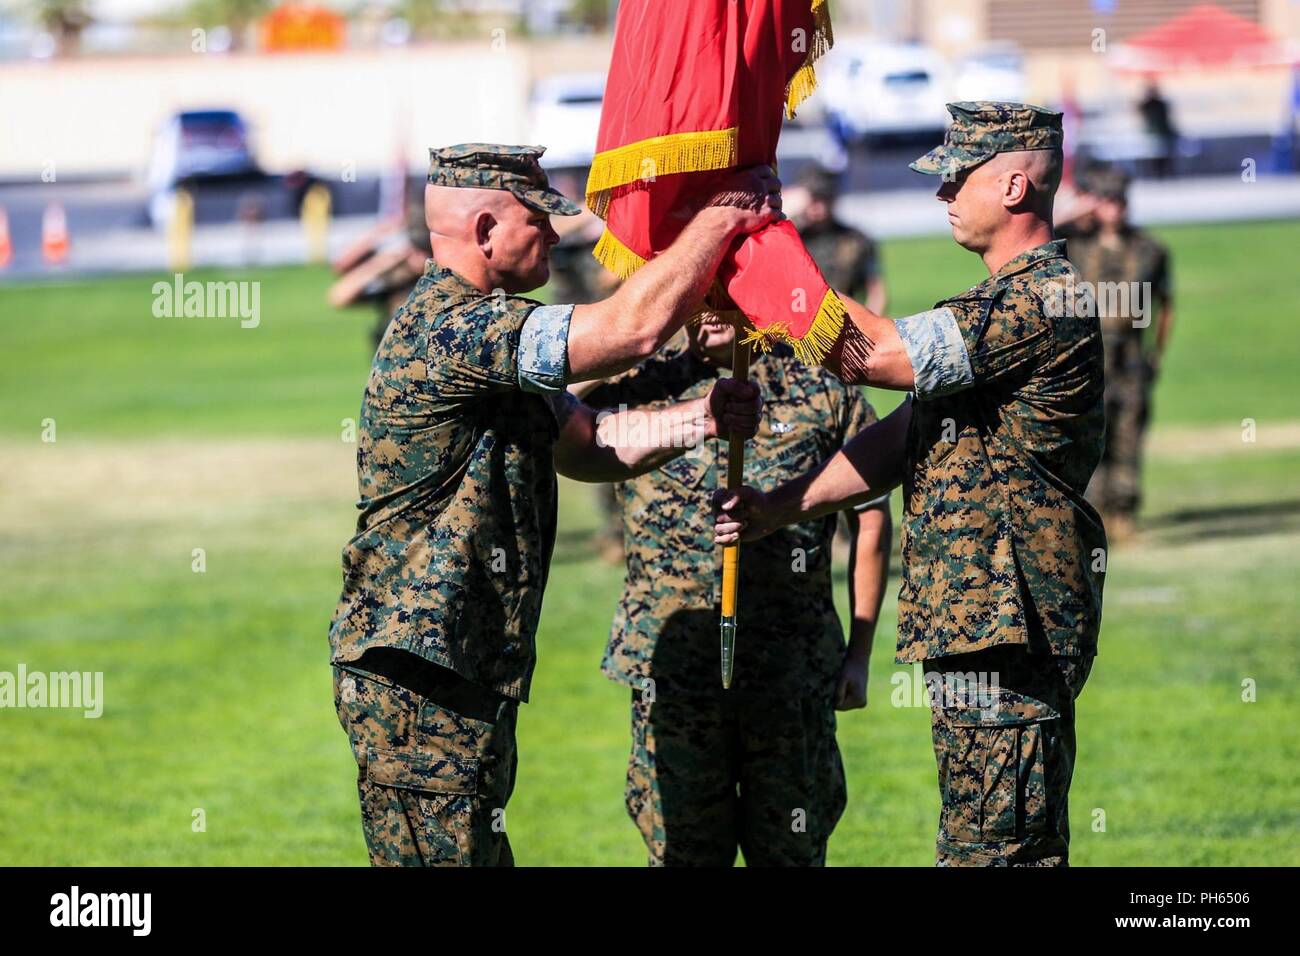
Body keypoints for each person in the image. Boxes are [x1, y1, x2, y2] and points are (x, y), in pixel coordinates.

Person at [329, 143, 777, 866]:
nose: (555, 233)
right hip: (417, 668)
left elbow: (587, 444)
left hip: (460, 661)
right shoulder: (450, 327)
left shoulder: (486, 330)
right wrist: (719, 220)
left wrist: (703, 419)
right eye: (538, 219)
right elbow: (626, 332)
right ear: (483, 230)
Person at [714, 102, 1107, 866]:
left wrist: (765, 262)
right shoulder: (998, 306)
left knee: (998, 853)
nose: (943, 195)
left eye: (957, 178)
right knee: (987, 842)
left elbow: (874, 356)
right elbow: (901, 437)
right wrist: (778, 509)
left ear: (1016, 186)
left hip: (1012, 619)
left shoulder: (1038, 299)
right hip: (980, 619)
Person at [584, 312, 892, 866]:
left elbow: (869, 515)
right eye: (700, 287)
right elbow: (548, 389)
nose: (709, 308)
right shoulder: (640, 385)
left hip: (791, 672)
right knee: (684, 854)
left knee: (792, 852)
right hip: (675, 675)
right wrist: (638, 331)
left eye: (725, 287)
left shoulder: (819, 387)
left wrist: (860, 654)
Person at [1064, 163, 1173, 541]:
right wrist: (1080, 208)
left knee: (1129, 434)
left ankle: (1124, 513)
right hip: (1087, 361)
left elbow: (1164, 305)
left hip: (1129, 360)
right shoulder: (1073, 244)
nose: (1115, 209)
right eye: (1106, 201)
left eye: (1119, 201)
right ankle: (1094, 514)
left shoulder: (1150, 250)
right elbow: (1039, 231)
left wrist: (1155, 355)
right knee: (1090, 436)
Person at [328, 187, 432, 348]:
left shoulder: (442, 271)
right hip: (397, 355)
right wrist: (383, 262)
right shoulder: (398, 273)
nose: (420, 259)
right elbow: (339, 295)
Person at [796, 165, 887, 314]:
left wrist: (868, 329)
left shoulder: (855, 241)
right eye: (813, 199)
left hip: (841, 324)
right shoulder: (790, 239)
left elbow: (876, 291)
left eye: (823, 199)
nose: (817, 206)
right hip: (795, 328)